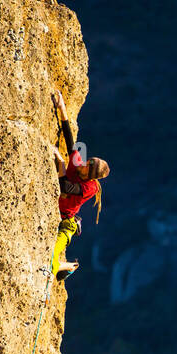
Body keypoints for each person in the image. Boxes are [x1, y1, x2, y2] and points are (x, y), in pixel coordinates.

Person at [50, 91, 110, 280]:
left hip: (65, 224)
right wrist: (62, 109)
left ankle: (67, 266)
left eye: (87, 166)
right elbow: (70, 140)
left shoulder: (90, 188)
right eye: (87, 161)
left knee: (50, 259)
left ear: (90, 176)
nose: (83, 164)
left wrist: (60, 166)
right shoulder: (78, 165)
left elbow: (66, 188)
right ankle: (62, 266)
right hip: (58, 215)